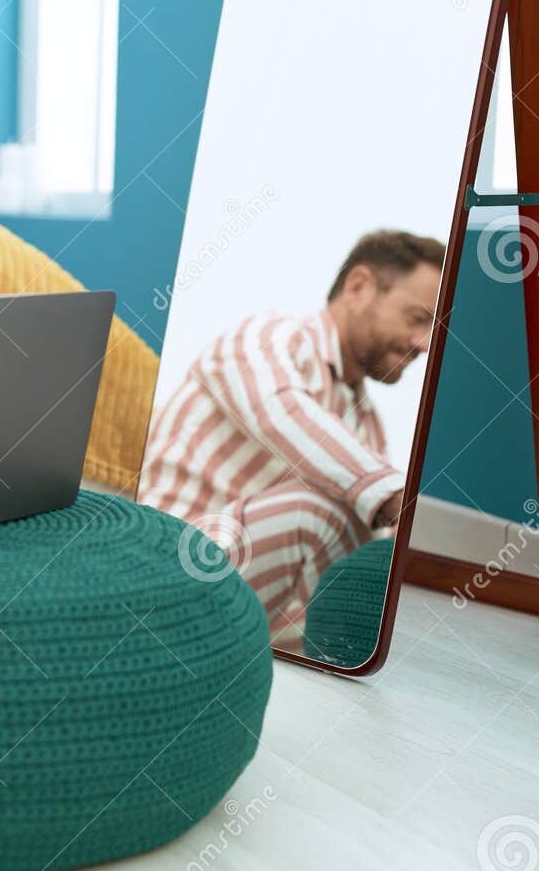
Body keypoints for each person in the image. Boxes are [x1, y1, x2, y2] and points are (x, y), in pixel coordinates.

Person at [139, 230, 444, 640]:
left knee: (367, 554)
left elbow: (370, 545)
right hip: (160, 566)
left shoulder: (365, 425)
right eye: (417, 318)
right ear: (358, 287)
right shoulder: (268, 338)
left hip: (248, 600)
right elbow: (280, 411)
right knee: (313, 513)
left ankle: (317, 655)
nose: (424, 343)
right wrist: (393, 496)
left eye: (435, 328)